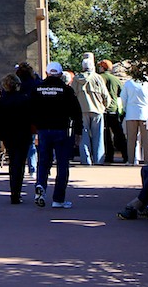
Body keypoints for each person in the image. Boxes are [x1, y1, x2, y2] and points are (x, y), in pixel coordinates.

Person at [31, 61, 83, 209]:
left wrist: (35, 128)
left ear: (47, 73)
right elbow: (76, 113)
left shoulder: (37, 89)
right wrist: (78, 132)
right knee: (62, 164)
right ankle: (58, 199)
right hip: (61, 129)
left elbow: (31, 110)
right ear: (60, 74)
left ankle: (40, 185)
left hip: (43, 130)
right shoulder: (66, 90)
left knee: (43, 161)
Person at [0, 73, 33, 204]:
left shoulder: (2, 100)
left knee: (12, 162)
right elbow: (30, 118)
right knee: (20, 163)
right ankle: (17, 192)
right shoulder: (25, 99)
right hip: (23, 134)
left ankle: (13, 192)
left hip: (8, 135)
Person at [73, 53, 111, 166]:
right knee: (98, 136)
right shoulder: (98, 78)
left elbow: (72, 95)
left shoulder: (76, 79)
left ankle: (86, 160)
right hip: (97, 110)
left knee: (83, 136)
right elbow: (106, 96)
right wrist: (104, 106)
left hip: (81, 111)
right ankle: (98, 160)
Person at [15, 62, 42, 175]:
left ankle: (31, 168)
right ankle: (41, 167)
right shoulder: (37, 82)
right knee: (40, 142)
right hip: (38, 114)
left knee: (29, 143)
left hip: (24, 116)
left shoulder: (20, 85)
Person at [98, 60, 127, 164]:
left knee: (105, 135)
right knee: (119, 134)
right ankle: (125, 155)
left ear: (102, 67)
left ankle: (108, 156)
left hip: (102, 109)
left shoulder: (99, 78)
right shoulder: (115, 79)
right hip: (114, 109)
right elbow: (121, 93)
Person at [122, 74, 148, 165]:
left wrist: (126, 109)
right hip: (145, 114)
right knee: (146, 139)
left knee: (131, 139)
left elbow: (123, 98)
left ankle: (131, 160)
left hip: (131, 114)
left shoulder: (128, 83)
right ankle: (147, 160)